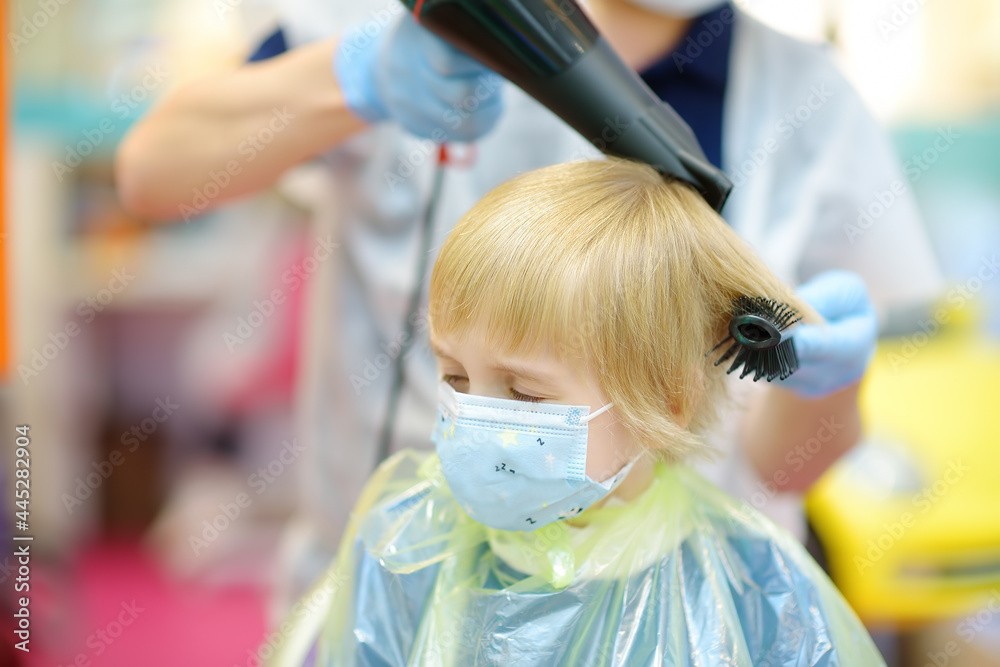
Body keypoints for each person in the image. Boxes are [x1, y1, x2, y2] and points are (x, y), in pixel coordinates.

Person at [115, 0, 943, 613]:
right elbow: (152, 175)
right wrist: (353, 74)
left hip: (683, 615)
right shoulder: (404, 23)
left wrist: (826, 381)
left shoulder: (808, 105)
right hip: (397, 603)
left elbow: (783, 467)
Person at [267, 158, 886, 666]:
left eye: (526, 394)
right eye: (454, 376)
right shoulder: (405, 550)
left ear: (666, 398)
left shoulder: (755, 584)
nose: (475, 418)